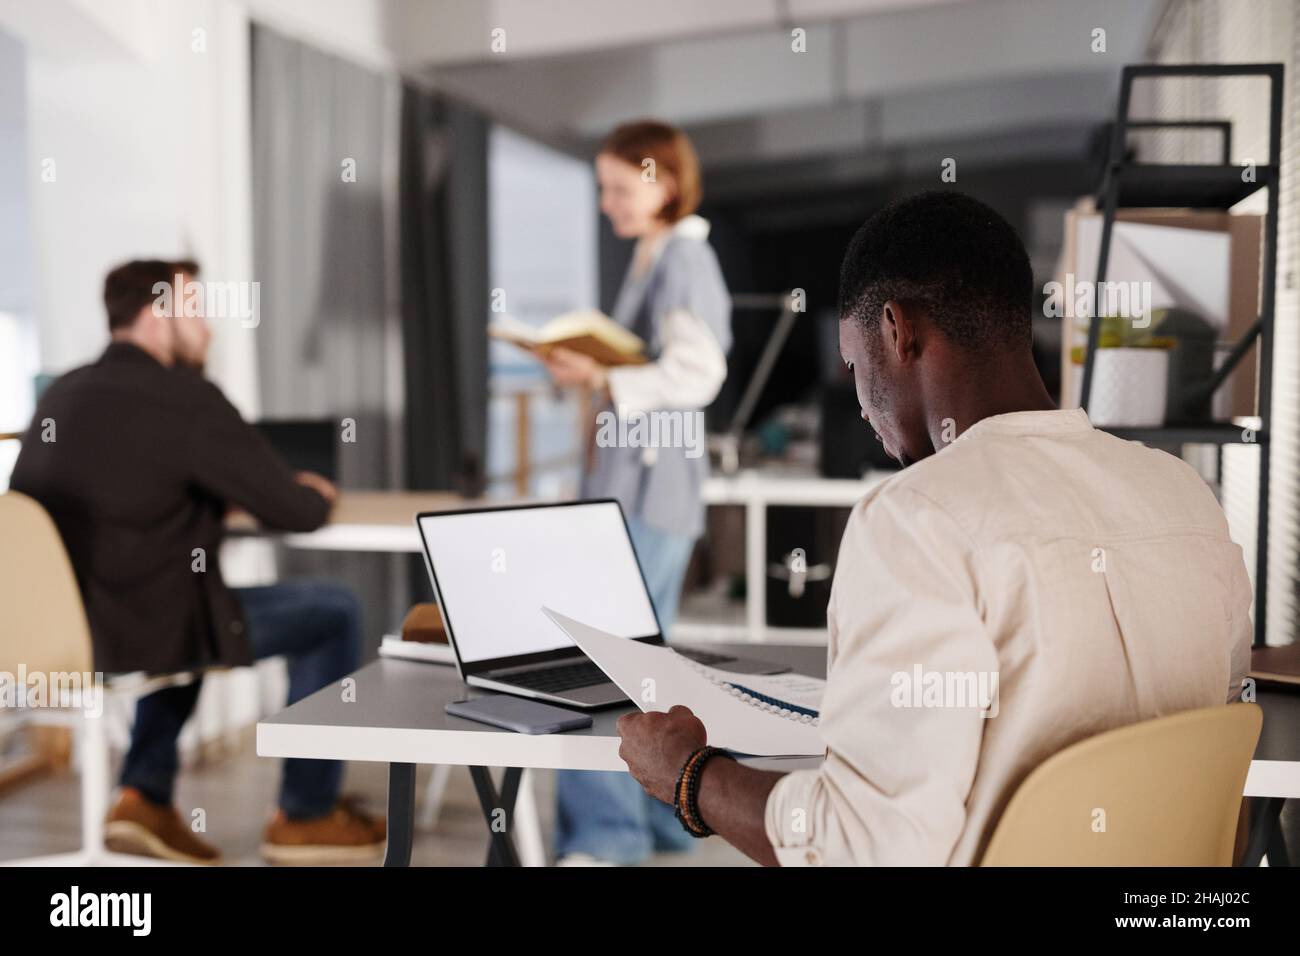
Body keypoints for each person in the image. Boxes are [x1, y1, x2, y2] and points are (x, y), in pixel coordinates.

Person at [613, 191, 1253, 866]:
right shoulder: (1186, 496)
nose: (860, 407)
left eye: (856, 366)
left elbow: (865, 852)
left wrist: (690, 775)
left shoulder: (916, 520)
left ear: (896, 329)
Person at [9, 259, 385, 864]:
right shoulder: (185, 399)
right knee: (331, 609)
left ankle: (143, 797)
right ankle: (304, 815)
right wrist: (316, 492)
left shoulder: (61, 394)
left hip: (54, 639)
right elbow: (294, 511)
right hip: (140, 634)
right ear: (160, 315)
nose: (207, 329)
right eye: (196, 310)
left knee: (185, 604)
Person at [542, 120, 731, 864]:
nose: (607, 203)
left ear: (666, 183)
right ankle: (656, 823)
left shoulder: (684, 256)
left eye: (621, 187)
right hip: (642, 489)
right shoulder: (657, 255)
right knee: (643, 666)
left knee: (601, 663)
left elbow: (699, 372)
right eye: (603, 188)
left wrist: (605, 377)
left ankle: (607, 837)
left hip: (651, 491)